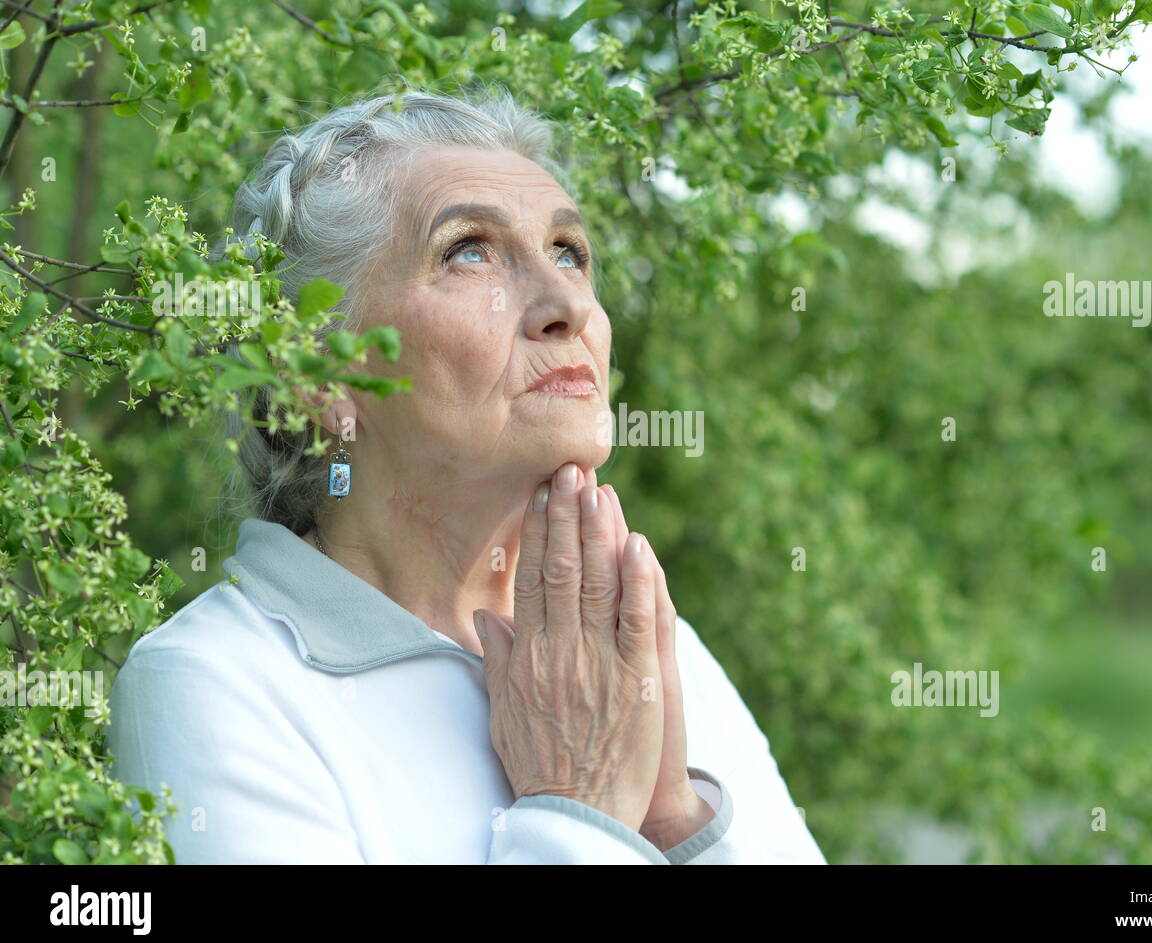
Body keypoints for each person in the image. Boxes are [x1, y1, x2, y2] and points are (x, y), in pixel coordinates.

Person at [106, 86, 826, 864]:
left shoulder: (646, 643)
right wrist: (577, 806)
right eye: (468, 251)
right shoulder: (214, 681)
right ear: (314, 373)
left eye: (569, 252)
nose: (566, 305)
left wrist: (671, 823)